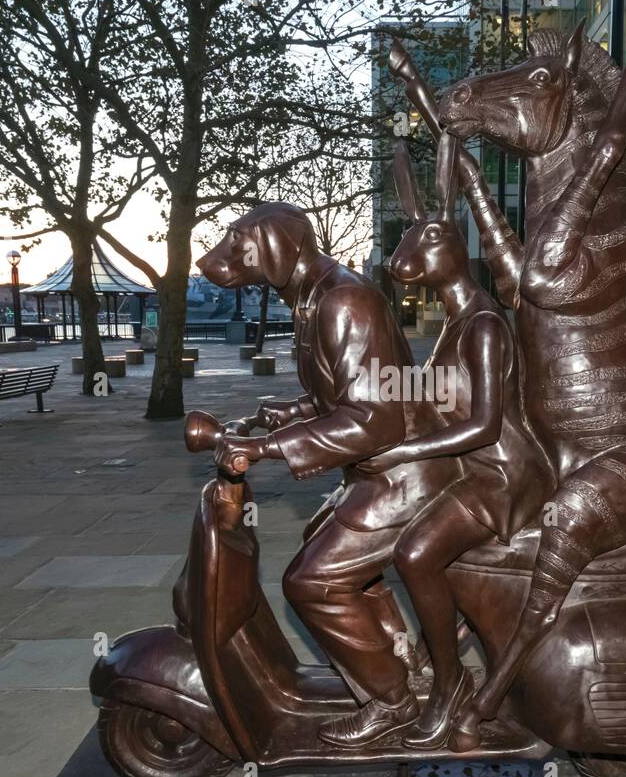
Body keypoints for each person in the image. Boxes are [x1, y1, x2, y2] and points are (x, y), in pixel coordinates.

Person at [197, 202, 460, 748]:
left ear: (272, 250)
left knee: (309, 582)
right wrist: (283, 415)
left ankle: (392, 701)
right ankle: (396, 653)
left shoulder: (342, 301)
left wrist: (266, 448)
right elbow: (344, 393)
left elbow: (373, 419)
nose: (218, 258)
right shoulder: (315, 296)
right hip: (380, 469)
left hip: (405, 473)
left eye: (236, 244)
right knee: (318, 539)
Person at [360, 138, 554, 748]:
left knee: (414, 553)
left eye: (430, 242)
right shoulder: (452, 325)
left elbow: (487, 426)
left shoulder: (486, 325)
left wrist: (403, 453)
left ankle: (450, 688)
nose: (411, 259)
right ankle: (437, 648)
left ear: (453, 251)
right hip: (471, 471)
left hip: (503, 477)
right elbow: (426, 397)